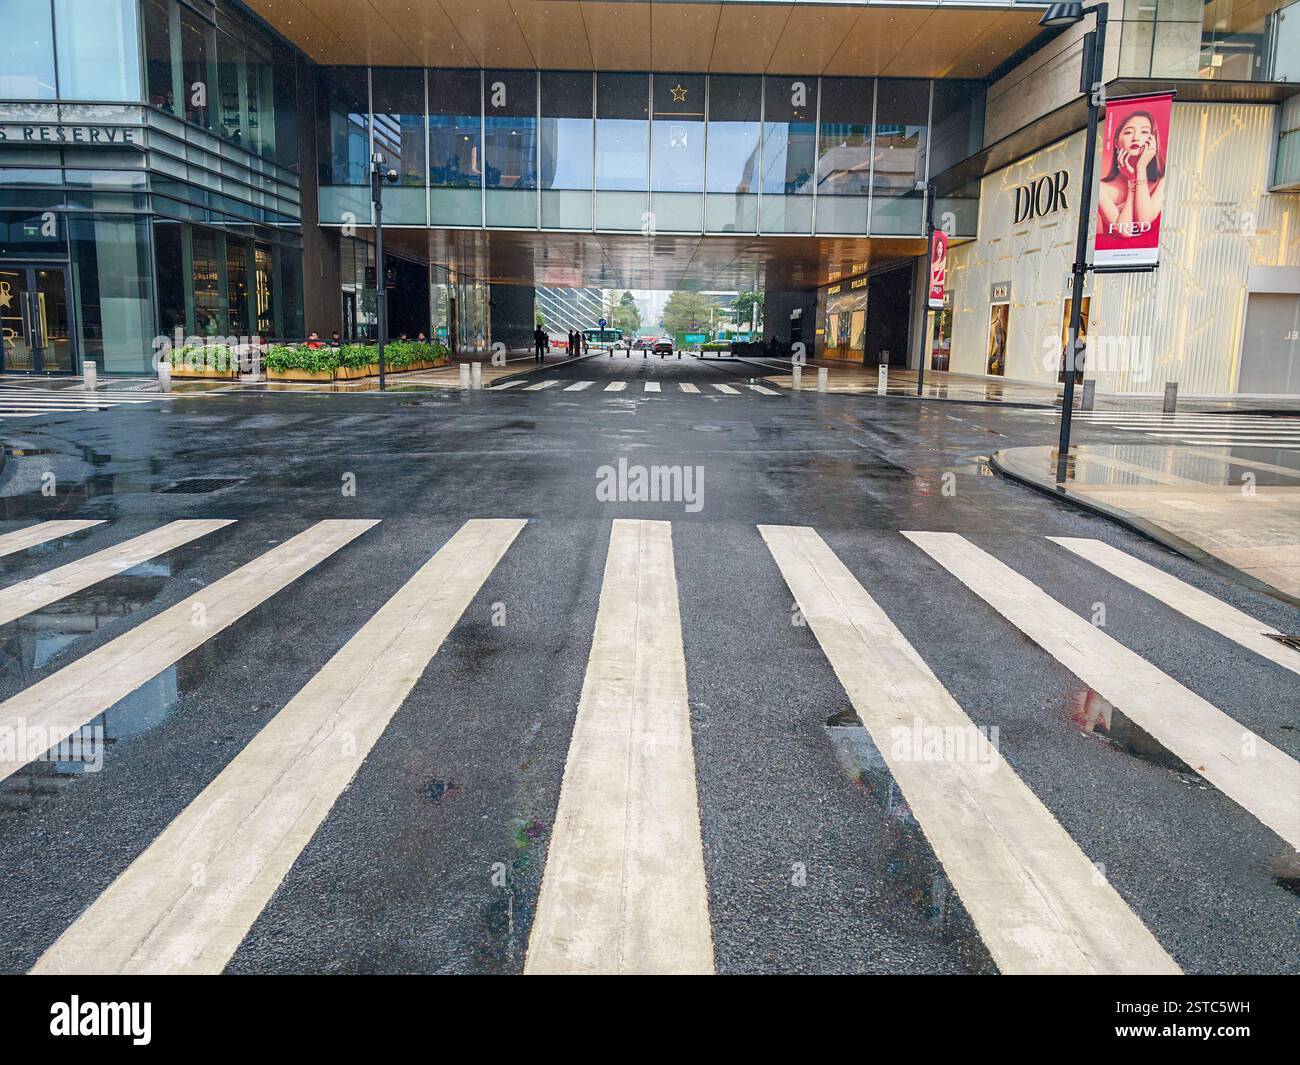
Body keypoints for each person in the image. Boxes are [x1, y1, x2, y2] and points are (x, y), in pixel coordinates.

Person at [1099, 110, 1164, 241]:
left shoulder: (1161, 182)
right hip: (1112, 258)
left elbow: (1143, 223)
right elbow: (1126, 232)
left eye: (1144, 132)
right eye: (1128, 132)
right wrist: (1132, 182)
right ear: (1117, 142)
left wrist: (1140, 170)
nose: (1136, 138)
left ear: (1153, 141)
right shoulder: (1101, 188)